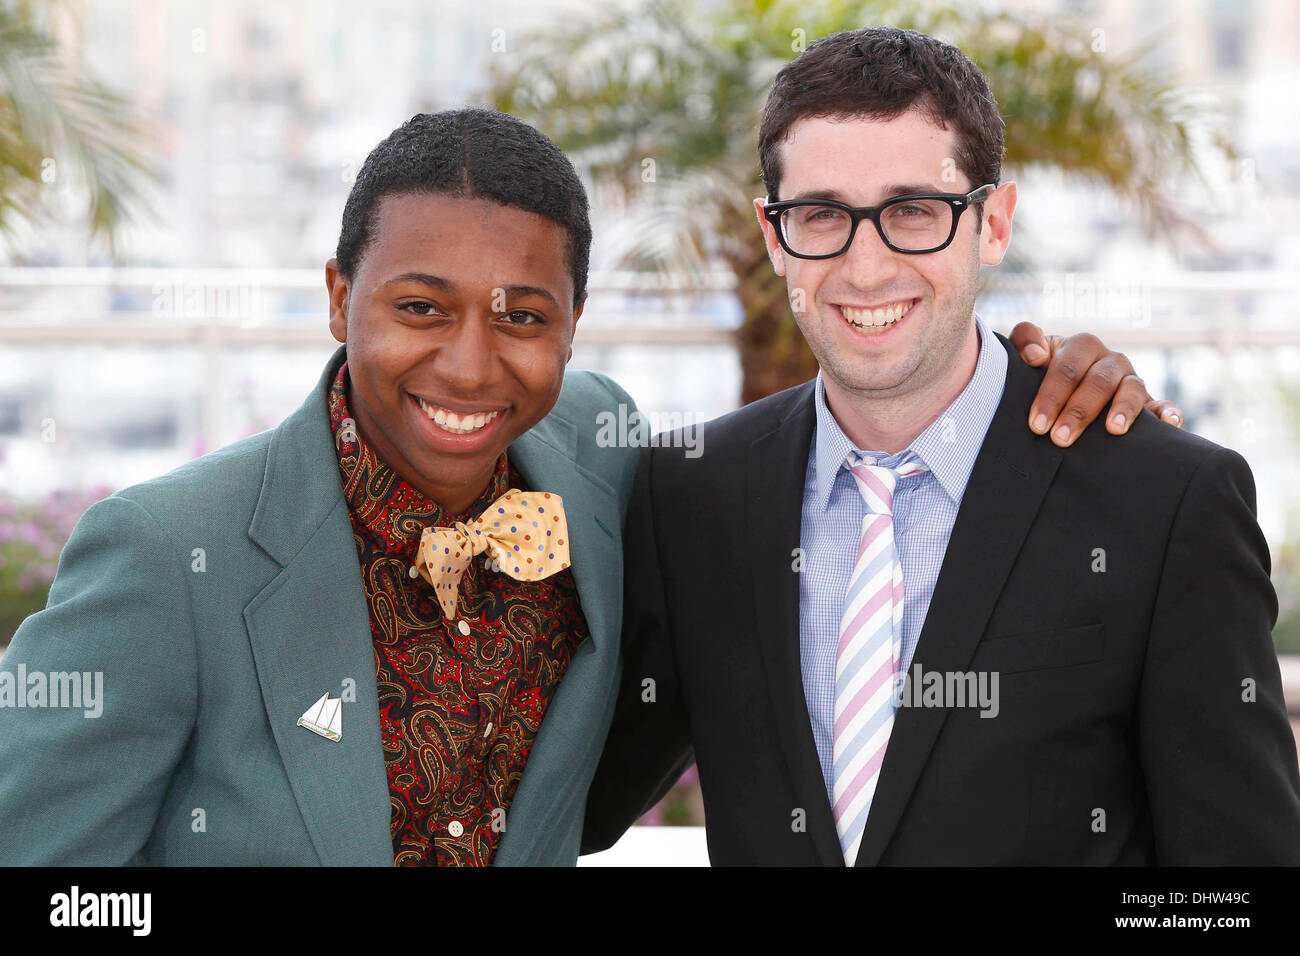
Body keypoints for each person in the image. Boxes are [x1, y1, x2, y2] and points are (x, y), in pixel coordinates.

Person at [0, 108, 1168, 866]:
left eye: (522, 317)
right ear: (335, 295)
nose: (469, 361)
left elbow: (825, 447)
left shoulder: (607, 452)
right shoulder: (165, 551)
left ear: (572, 330)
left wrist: (1041, 396)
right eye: (418, 307)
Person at [581, 28, 1300, 866]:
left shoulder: (1166, 499)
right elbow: (583, 800)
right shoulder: (689, 493)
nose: (865, 266)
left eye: (913, 211)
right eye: (821, 216)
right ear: (774, 237)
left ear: (992, 224)